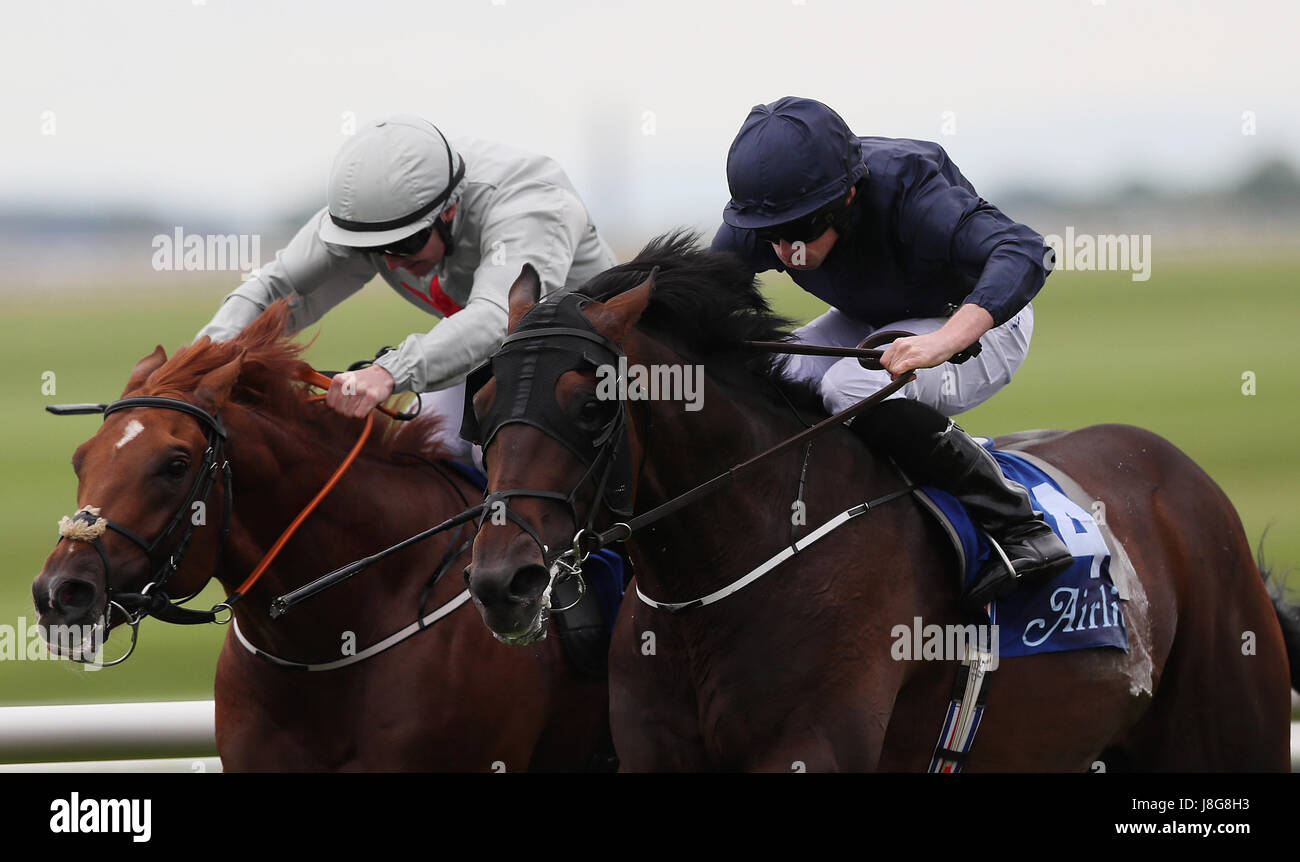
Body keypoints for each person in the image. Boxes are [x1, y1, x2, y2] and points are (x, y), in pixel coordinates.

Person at [711, 96, 1071, 607]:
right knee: (773, 372)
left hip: (979, 323)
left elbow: (1026, 251)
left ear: (850, 195)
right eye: (769, 235)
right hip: (878, 318)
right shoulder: (773, 212)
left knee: (848, 384)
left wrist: (944, 340)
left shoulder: (910, 189)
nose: (784, 252)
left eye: (800, 231)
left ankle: (1017, 522)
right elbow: (693, 295)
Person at [197, 114, 616, 463]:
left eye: (404, 244)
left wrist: (387, 373)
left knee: (498, 464)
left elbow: (495, 318)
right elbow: (277, 288)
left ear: (449, 210)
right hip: (492, 356)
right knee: (427, 458)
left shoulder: (531, 201)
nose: (393, 263)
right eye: (377, 251)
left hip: (596, 365)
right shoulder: (374, 214)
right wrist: (196, 364)